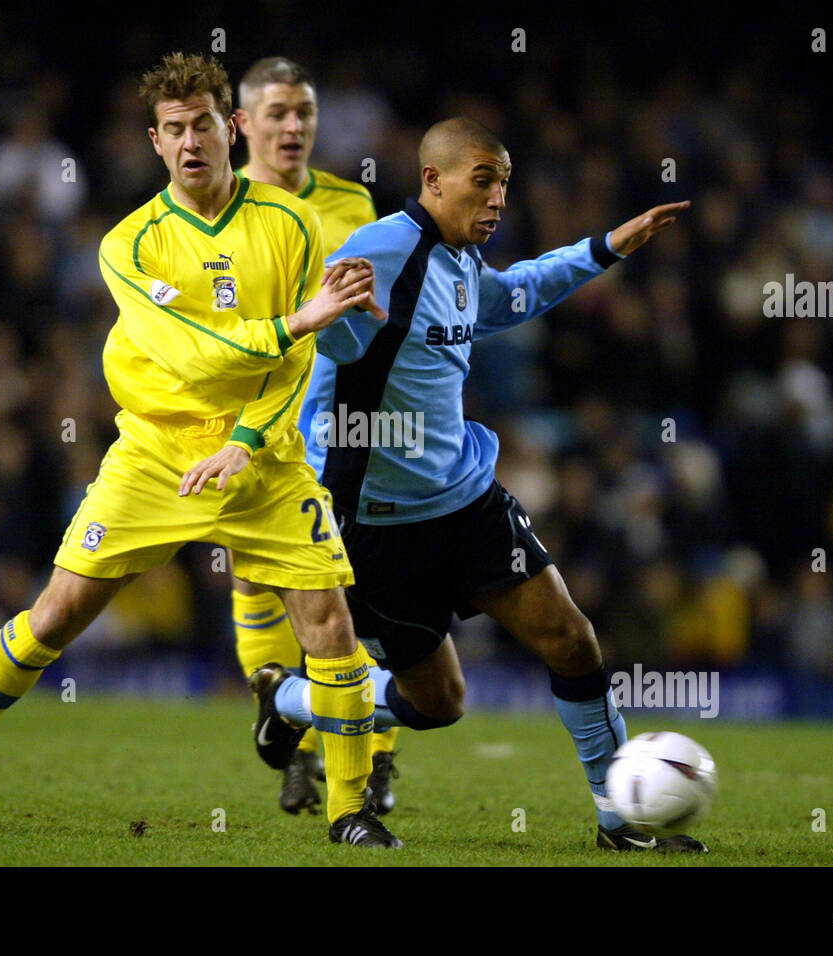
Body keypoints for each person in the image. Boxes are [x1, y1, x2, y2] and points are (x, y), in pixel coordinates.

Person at [0, 52, 405, 850]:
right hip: (154, 455)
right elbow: (194, 355)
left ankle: (350, 811)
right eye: (175, 130)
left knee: (330, 624)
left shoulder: (288, 225)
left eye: (204, 126)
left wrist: (250, 441)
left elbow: (301, 363)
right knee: (54, 615)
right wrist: (299, 320)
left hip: (262, 456)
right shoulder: (130, 245)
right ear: (156, 141)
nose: (192, 142)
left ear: (232, 128)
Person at [242, 116, 706, 852]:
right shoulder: (379, 251)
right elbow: (323, 341)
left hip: (465, 501)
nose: (496, 200)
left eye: (504, 185)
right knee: (439, 704)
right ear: (433, 180)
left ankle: (621, 817)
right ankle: (289, 697)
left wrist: (605, 248)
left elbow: (511, 295)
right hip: (375, 521)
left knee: (571, 636)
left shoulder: (458, 262)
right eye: (482, 181)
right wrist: (327, 324)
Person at [226, 56, 401, 818]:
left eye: (304, 112)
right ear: (244, 123)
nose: (293, 126)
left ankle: (375, 758)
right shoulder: (218, 203)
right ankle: (290, 736)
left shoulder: (351, 200)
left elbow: (373, 306)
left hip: (338, 421)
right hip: (254, 416)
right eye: (277, 113)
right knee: (256, 578)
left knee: (352, 591)